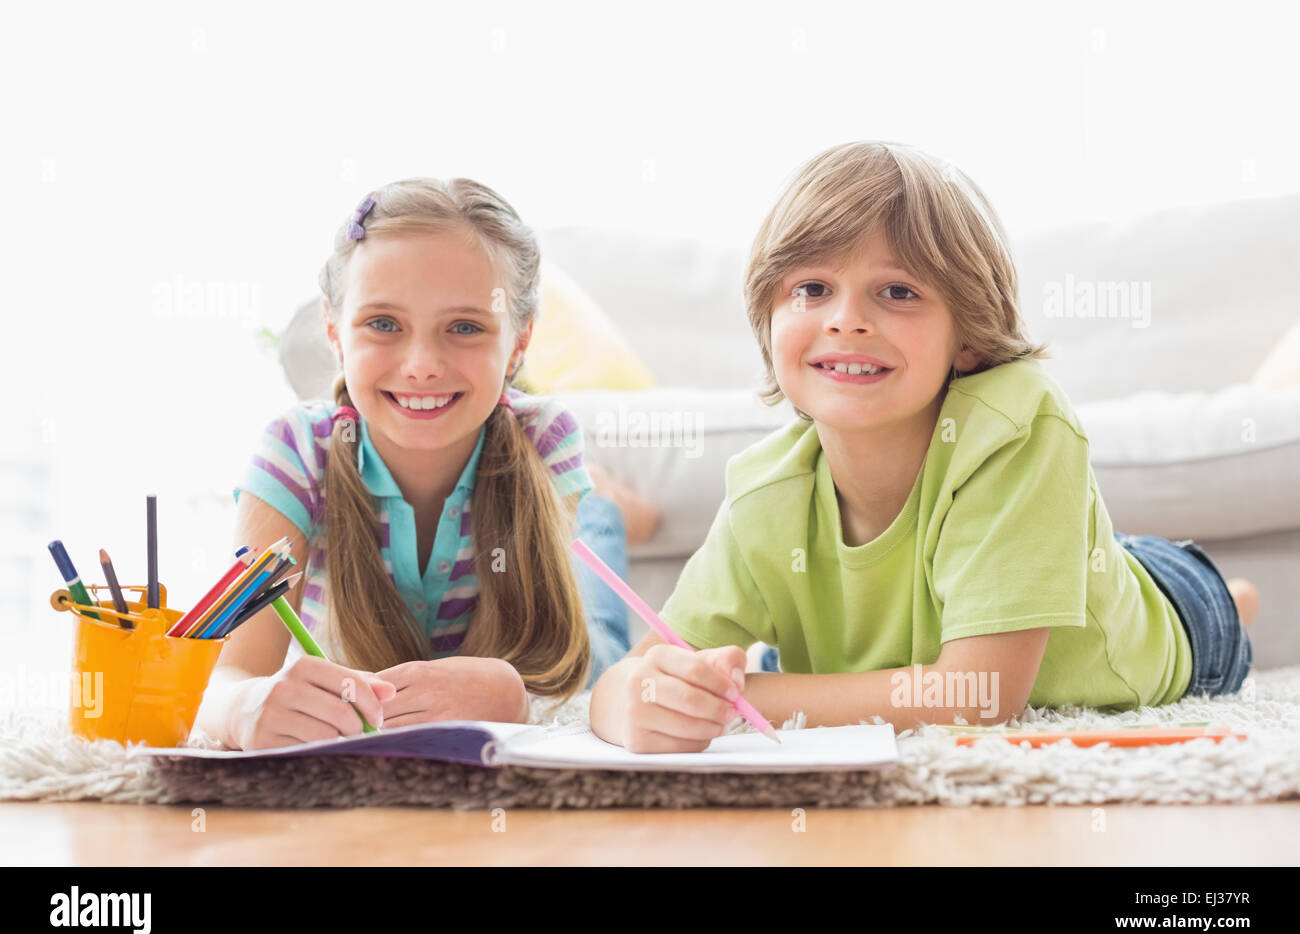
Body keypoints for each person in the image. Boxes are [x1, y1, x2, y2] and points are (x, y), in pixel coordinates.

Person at [590, 141, 1261, 753]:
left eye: (897, 291)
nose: (846, 318)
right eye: (812, 288)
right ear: (769, 321)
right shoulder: (766, 492)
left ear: (967, 337)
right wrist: (632, 702)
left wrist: (740, 699)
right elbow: (633, 671)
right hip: (1004, 580)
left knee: (1201, 598)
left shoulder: (1016, 426)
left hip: (1161, 615)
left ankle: (1230, 596)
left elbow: (981, 696)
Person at [194, 178, 649, 751]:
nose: (421, 366)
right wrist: (242, 707)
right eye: (383, 324)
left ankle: (605, 510)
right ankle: (603, 503)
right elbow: (217, 675)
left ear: (518, 344)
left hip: (564, 542)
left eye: (464, 328)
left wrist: (520, 697)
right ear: (335, 332)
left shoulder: (544, 437)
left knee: (606, 633)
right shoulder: (295, 452)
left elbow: (584, 688)